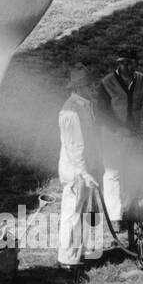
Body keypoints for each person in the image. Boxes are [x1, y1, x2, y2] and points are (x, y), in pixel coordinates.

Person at [94, 51, 143, 228]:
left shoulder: (142, 80)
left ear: (137, 65)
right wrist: (117, 129)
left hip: (136, 136)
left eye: (130, 63)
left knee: (135, 171)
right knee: (113, 174)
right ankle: (115, 216)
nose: (126, 67)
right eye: (123, 63)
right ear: (117, 64)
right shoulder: (106, 83)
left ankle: (128, 207)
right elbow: (101, 113)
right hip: (113, 138)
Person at [56, 65, 106, 267]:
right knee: (72, 214)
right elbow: (75, 147)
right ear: (80, 86)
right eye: (90, 84)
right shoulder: (71, 111)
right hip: (76, 171)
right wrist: (85, 173)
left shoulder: (85, 106)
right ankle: (66, 260)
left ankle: (80, 253)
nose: (94, 87)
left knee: (83, 213)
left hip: (86, 168)